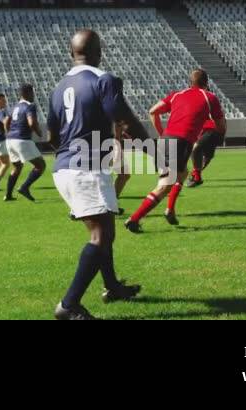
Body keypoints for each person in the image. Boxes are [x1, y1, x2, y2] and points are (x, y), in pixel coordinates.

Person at [48, 29, 150, 320]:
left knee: (106, 231)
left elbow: (52, 135)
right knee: (101, 235)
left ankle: (113, 287)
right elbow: (124, 119)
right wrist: (154, 152)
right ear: (99, 52)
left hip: (64, 168)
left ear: (72, 53)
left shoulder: (58, 87)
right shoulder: (104, 80)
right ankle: (68, 306)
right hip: (86, 169)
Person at [125, 69, 226, 232]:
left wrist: (161, 133)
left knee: (183, 174)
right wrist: (216, 134)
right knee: (165, 185)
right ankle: (134, 219)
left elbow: (153, 111)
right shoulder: (210, 97)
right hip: (182, 142)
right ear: (207, 83)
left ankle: (170, 209)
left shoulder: (176, 95)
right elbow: (221, 126)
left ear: (189, 82)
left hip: (168, 140)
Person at [3, 84, 46, 202]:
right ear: (27, 93)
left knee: (17, 167)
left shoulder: (15, 106)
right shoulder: (30, 106)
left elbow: (6, 122)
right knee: (40, 165)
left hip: (10, 140)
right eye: (32, 93)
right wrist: (39, 132)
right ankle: (24, 187)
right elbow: (31, 123)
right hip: (22, 140)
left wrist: (9, 134)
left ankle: (8, 195)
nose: (34, 95)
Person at [187, 118, 227, 188]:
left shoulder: (211, 108)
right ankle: (196, 175)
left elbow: (222, 119)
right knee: (206, 156)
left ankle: (196, 176)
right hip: (210, 131)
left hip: (213, 130)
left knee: (197, 150)